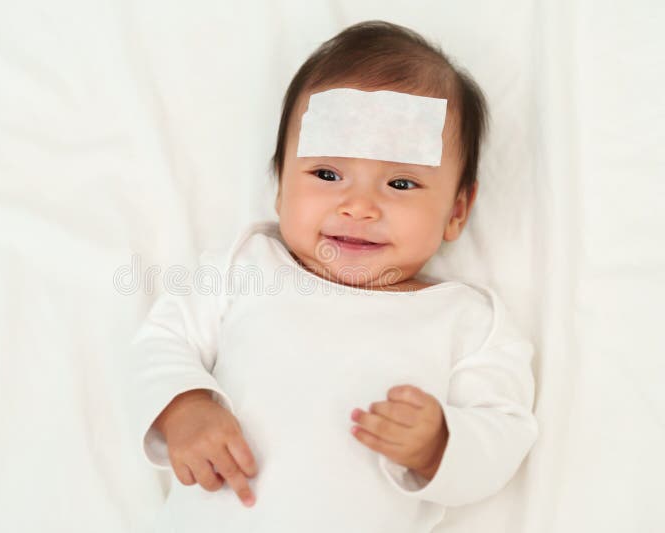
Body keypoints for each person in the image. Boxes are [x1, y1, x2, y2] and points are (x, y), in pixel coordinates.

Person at [126, 20, 538, 533]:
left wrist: (440, 444)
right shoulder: (246, 267)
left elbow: (504, 433)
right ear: (280, 187)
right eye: (326, 175)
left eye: (402, 182)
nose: (359, 206)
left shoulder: (468, 321)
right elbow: (162, 341)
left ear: (457, 210)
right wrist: (182, 405)